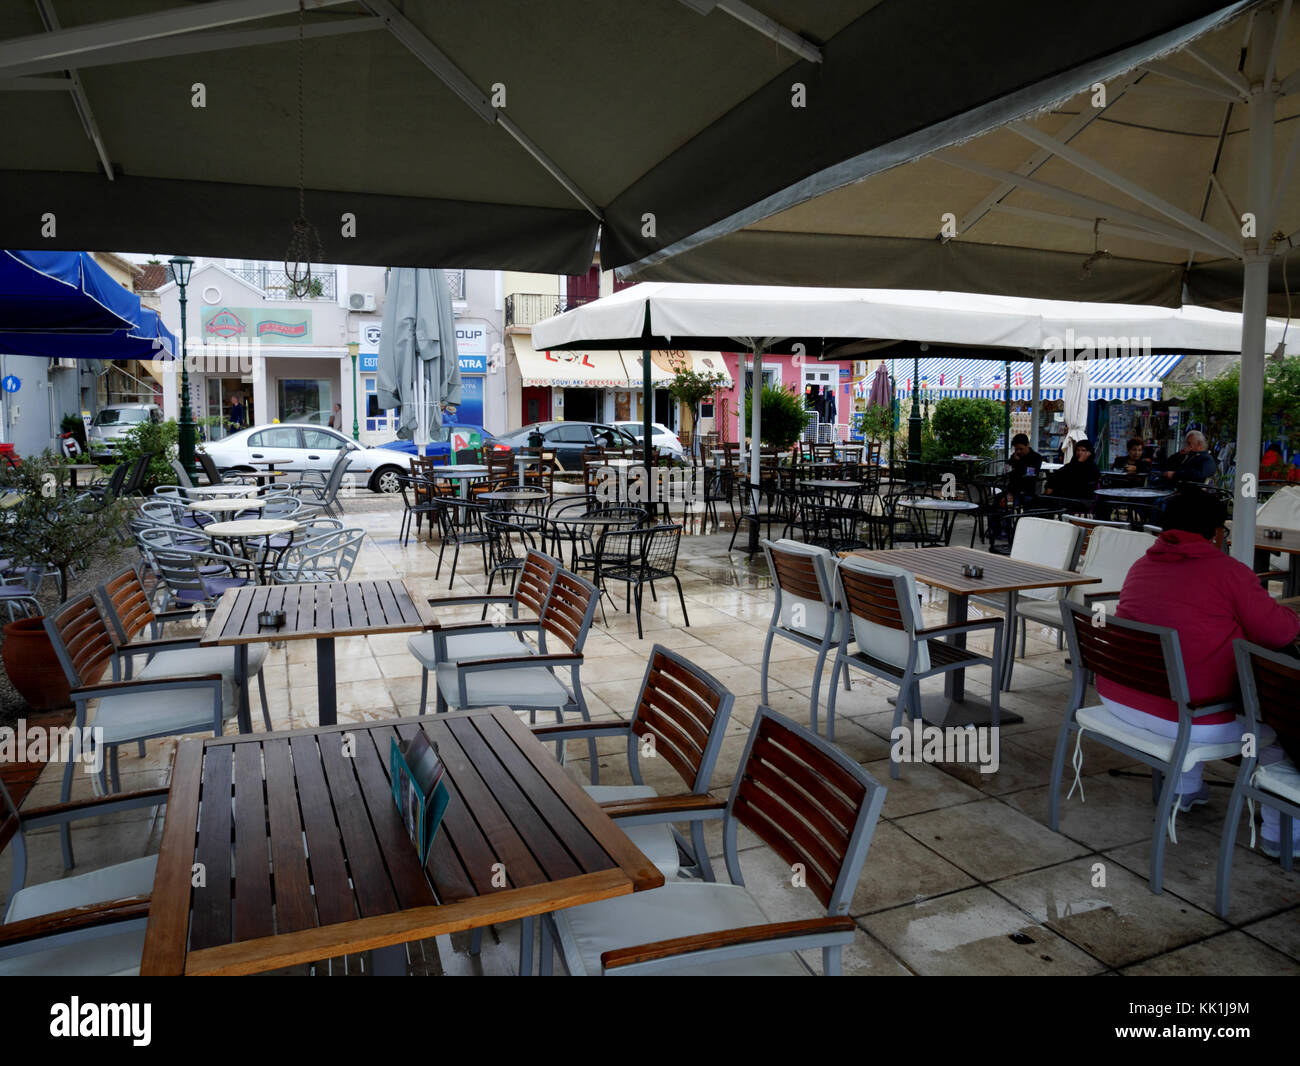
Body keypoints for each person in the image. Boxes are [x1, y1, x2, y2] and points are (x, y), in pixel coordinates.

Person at [1097, 492, 1300, 854]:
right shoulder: (1230, 572)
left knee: (1189, 680)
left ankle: (1186, 790)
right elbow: (1279, 633)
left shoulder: (1142, 565)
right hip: (1180, 718)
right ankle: (1281, 837)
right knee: (1278, 727)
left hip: (1118, 697)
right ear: (1217, 533)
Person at [1043, 438, 1100, 502]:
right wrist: (1050, 486)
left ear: (1089, 453)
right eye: (1078, 450)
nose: (1080, 452)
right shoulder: (1071, 465)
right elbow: (1058, 475)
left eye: (1083, 450)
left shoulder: (1092, 468)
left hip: (1078, 499)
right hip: (1063, 496)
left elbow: (1076, 481)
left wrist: (1080, 463)